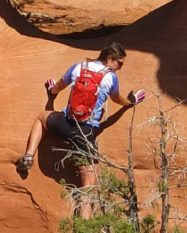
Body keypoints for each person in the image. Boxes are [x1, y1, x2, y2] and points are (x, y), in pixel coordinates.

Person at [14, 43, 146, 209]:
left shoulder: (79, 67)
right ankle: (84, 231)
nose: (120, 67)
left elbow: (59, 86)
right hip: (84, 134)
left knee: (42, 118)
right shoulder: (110, 78)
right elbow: (117, 99)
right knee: (89, 185)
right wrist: (131, 101)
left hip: (64, 124)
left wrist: (52, 92)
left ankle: (29, 156)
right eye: (119, 63)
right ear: (109, 58)